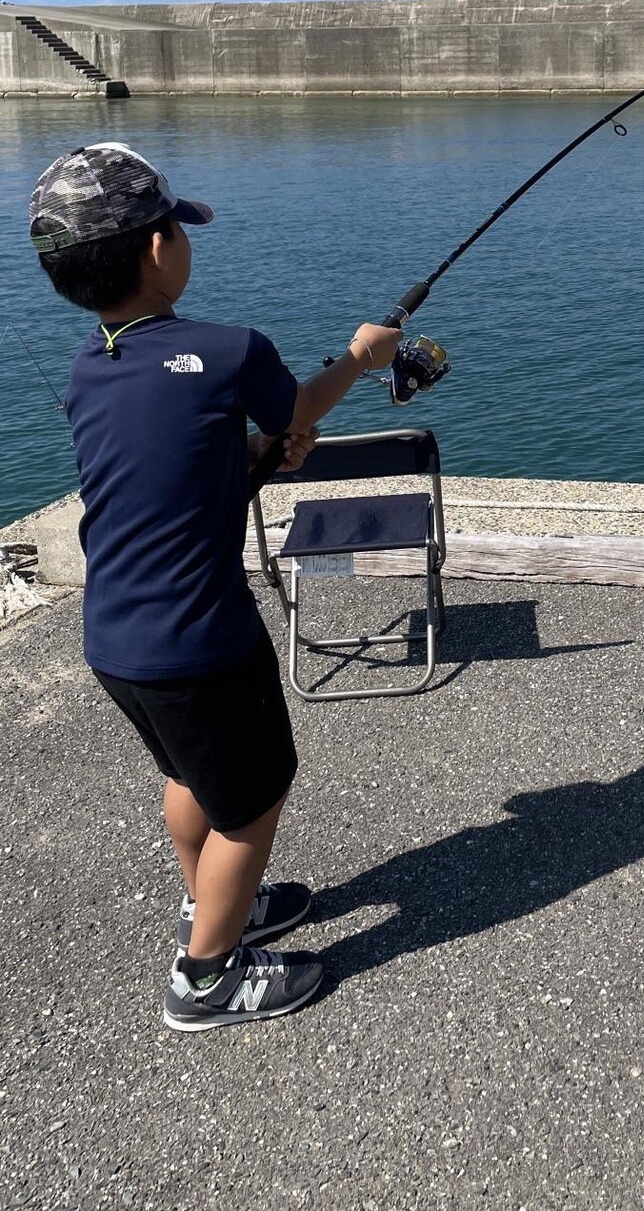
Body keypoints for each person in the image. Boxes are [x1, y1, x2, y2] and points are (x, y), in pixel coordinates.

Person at [28, 143, 401, 1031]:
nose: (184, 245)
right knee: (255, 799)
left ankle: (214, 903)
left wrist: (249, 456)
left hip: (116, 638)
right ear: (158, 250)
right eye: (177, 230)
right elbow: (301, 408)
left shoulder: (88, 367)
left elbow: (158, 469)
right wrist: (362, 353)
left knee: (189, 773)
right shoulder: (231, 351)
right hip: (201, 641)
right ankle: (206, 977)